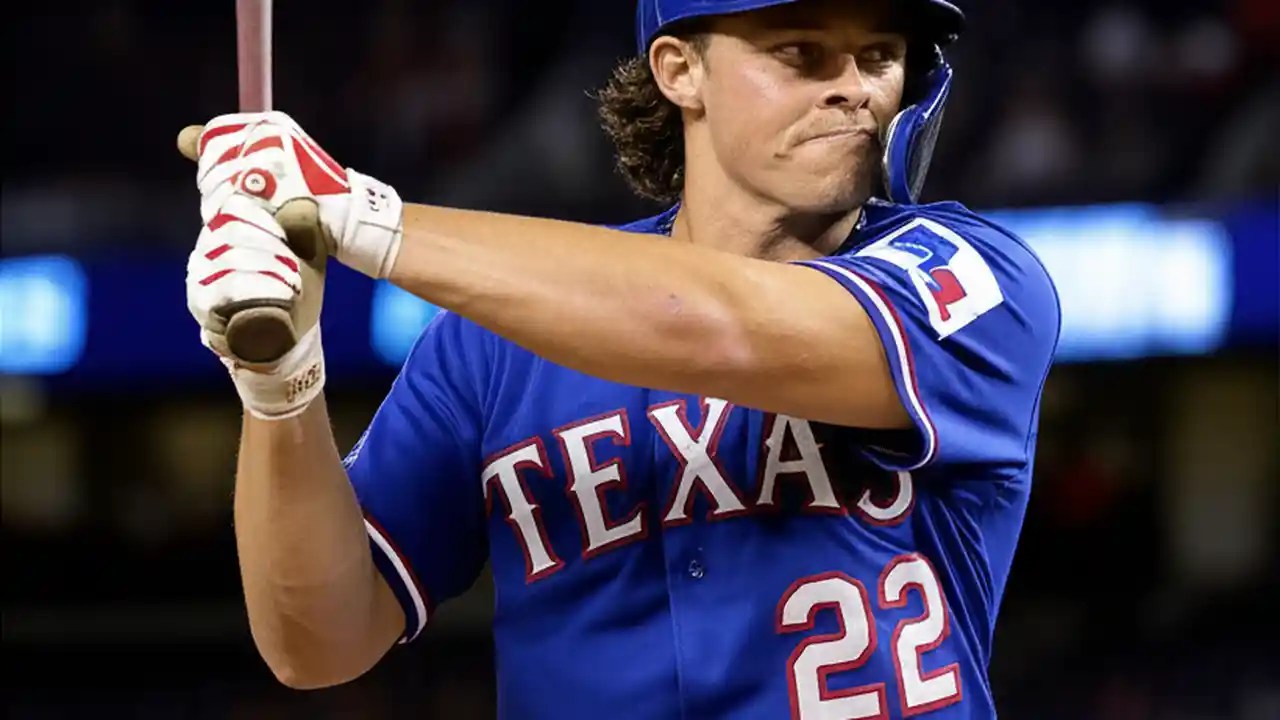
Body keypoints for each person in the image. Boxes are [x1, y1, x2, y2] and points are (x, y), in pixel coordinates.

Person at [181, 0, 1060, 717]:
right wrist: (280, 381)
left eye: (878, 55)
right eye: (801, 51)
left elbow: (714, 322)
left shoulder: (973, 279)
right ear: (681, 71)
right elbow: (316, 642)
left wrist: (357, 217)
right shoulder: (493, 342)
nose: (855, 90)